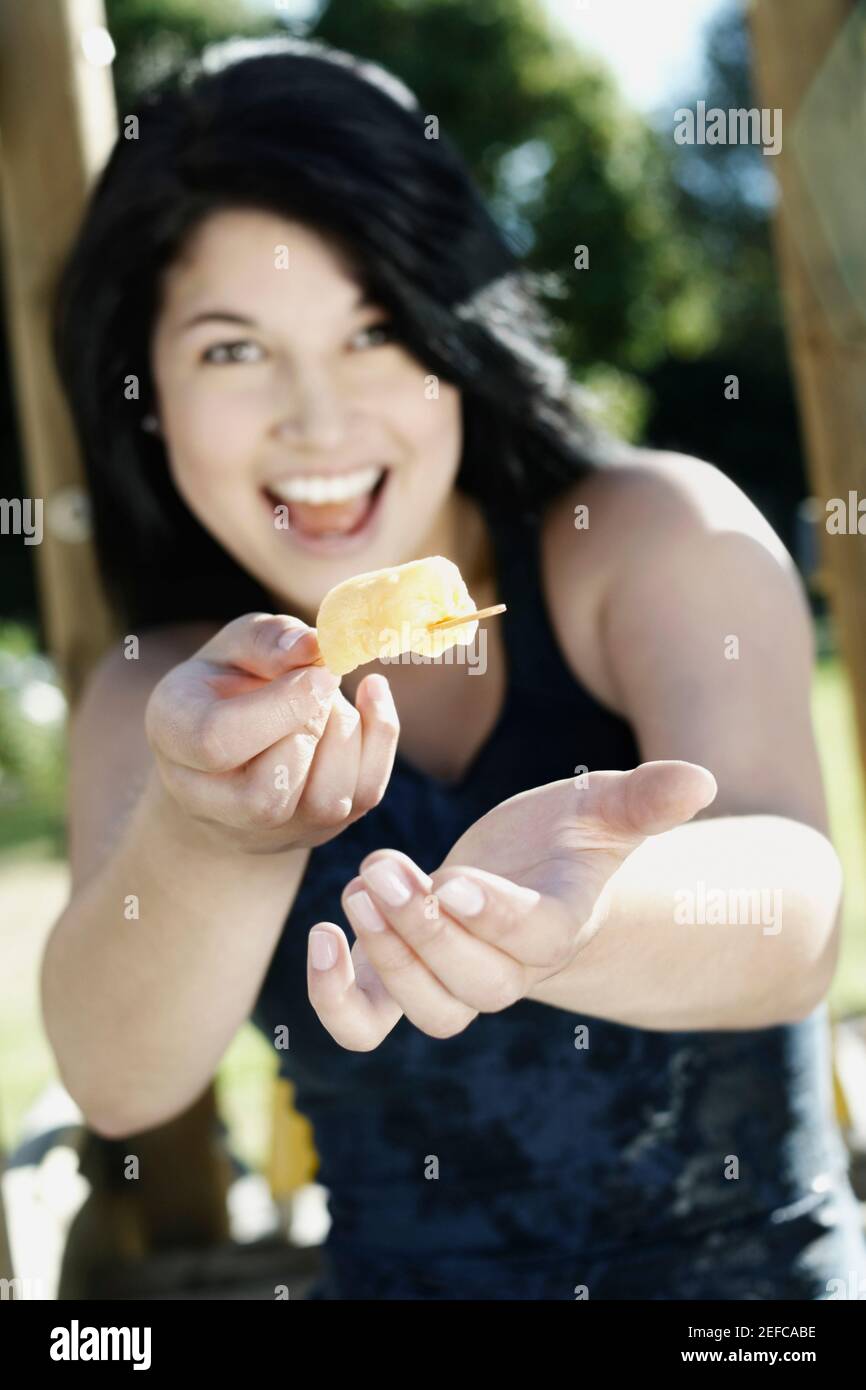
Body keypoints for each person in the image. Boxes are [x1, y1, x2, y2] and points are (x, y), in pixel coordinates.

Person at [41, 35, 866, 1301]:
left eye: (374, 327)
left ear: (454, 327)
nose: (317, 421)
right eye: (230, 349)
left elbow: (794, 914)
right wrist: (211, 837)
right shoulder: (159, 694)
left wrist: (565, 926)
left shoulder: (643, 540)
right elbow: (116, 1074)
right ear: (140, 385)